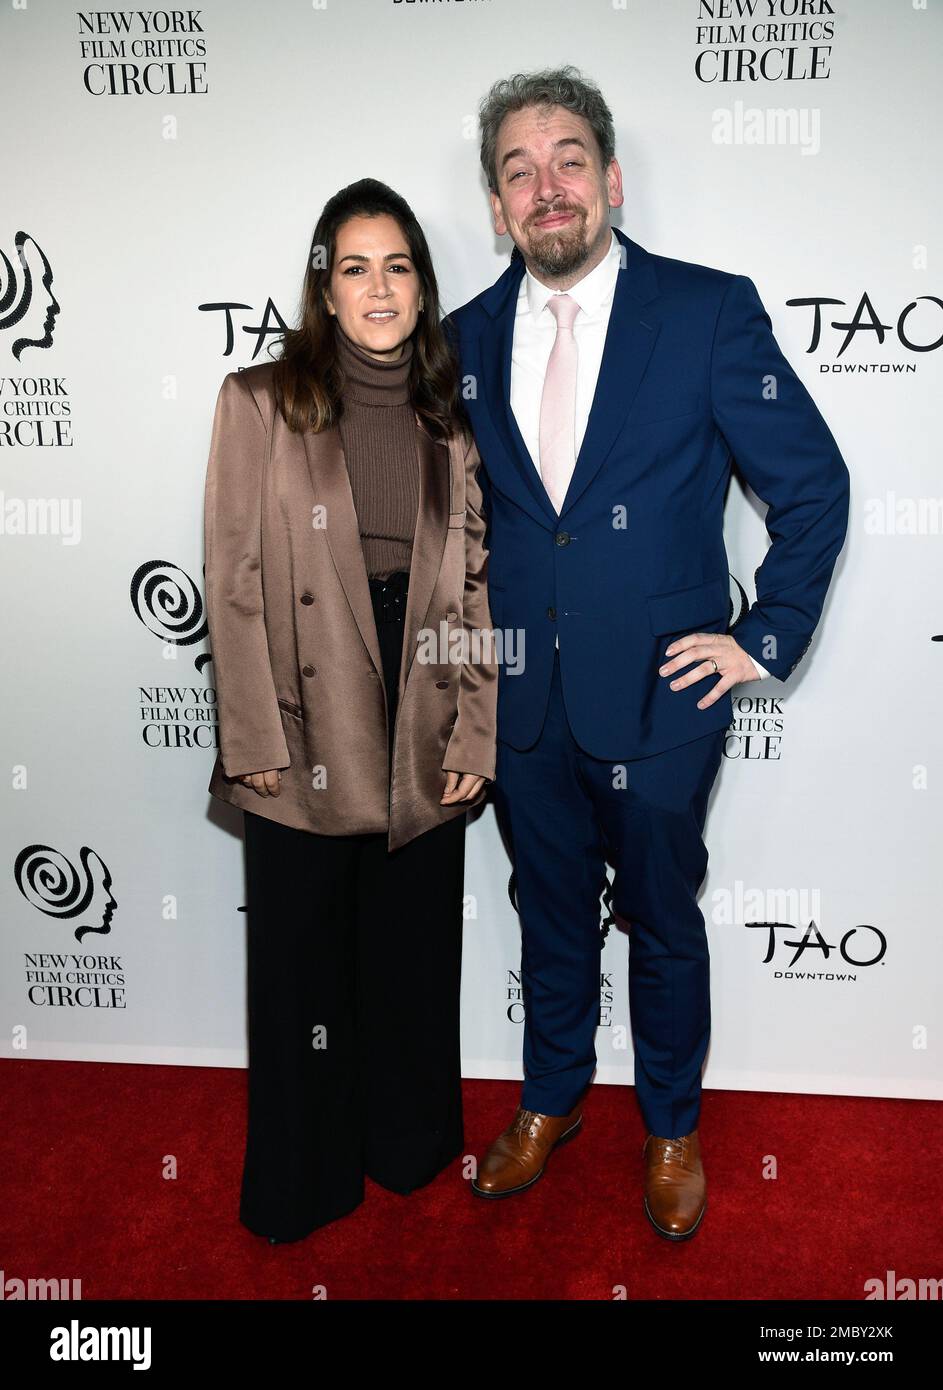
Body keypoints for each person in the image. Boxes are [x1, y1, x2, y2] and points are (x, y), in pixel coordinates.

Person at [444, 67, 849, 1238]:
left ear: (611, 180)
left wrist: (760, 635)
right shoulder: (463, 338)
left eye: (567, 158)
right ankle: (550, 1103)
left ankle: (669, 1125)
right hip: (523, 698)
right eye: (517, 170)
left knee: (664, 920)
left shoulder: (710, 311)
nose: (545, 186)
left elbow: (810, 486)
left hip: (667, 698)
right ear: (496, 203)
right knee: (549, 913)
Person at [203, 179, 497, 1243]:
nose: (378, 286)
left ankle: (407, 1147)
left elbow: (470, 592)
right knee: (300, 972)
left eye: (400, 265)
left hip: (418, 705)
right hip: (304, 706)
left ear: (422, 287)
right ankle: (303, 1178)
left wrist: (472, 732)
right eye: (355, 265)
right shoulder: (259, 401)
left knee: (412, 960)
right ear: (324, 287)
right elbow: (232, 583)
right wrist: (252, 741)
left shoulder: (446, 425)